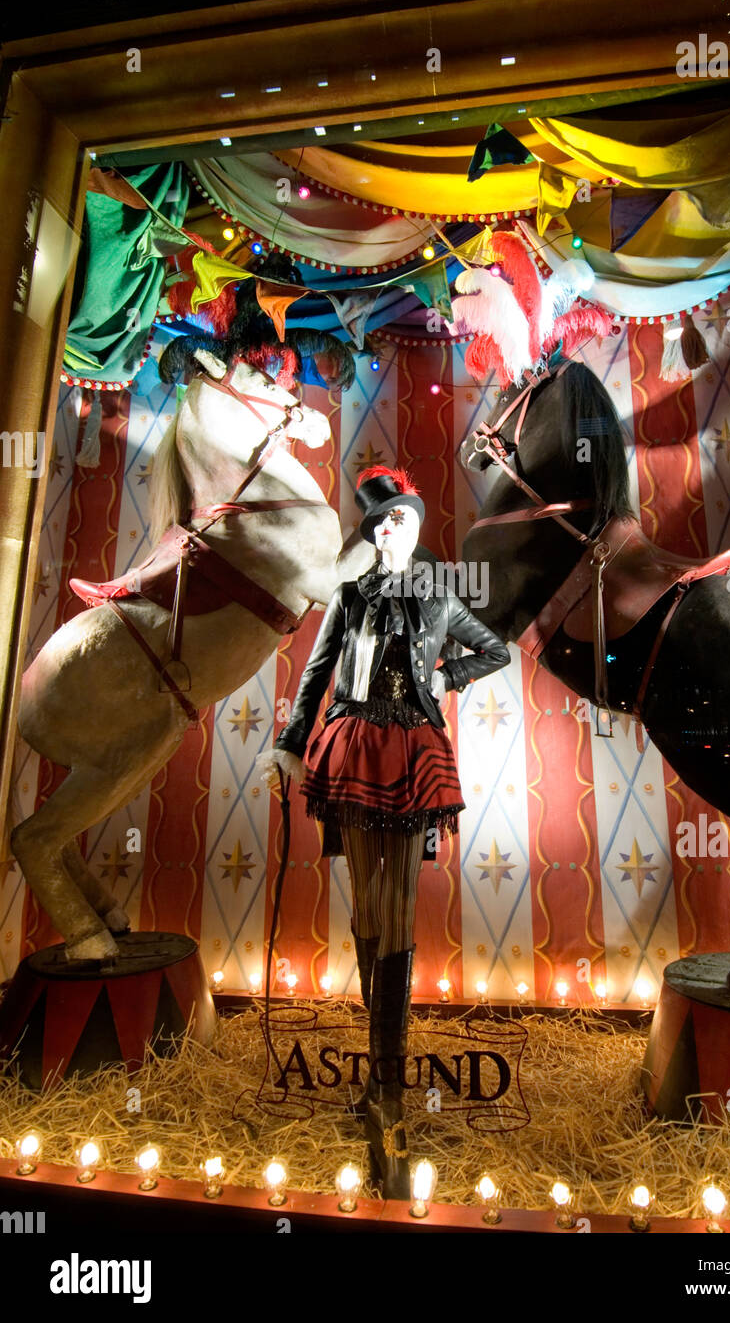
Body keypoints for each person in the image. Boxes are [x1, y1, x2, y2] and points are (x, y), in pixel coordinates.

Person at [259, 465, 509, 1198]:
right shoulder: (349, 595)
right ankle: (380, 1078)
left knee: (393, 908)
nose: (391, 529)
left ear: (417, 523)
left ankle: (389, 1093)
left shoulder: (439, 595)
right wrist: (289, 741)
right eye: (380, 523)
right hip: (352, 743)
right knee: (367, 907)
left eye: (401, 517)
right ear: (371, 535)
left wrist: (443, 679)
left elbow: (494, 650)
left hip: (413, 749)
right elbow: (316, 672)